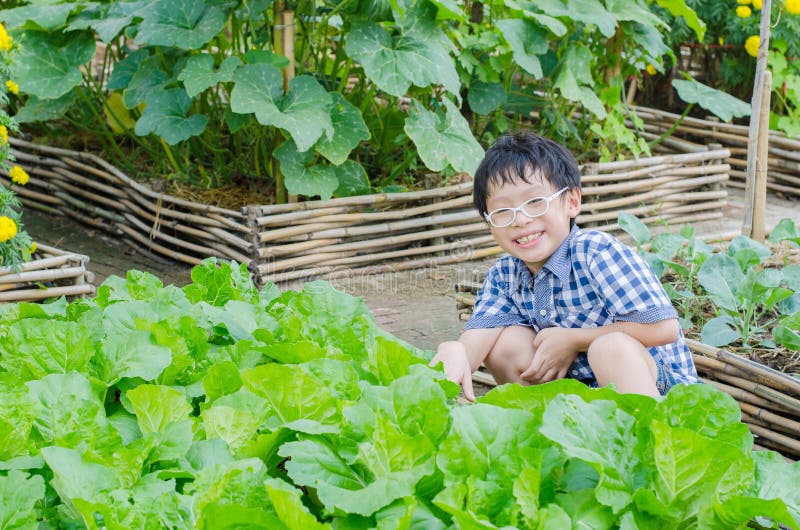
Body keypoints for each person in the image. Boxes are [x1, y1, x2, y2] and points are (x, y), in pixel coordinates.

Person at [431, 132, 699, 400]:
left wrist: (574, 339)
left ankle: (649, 437)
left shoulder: (597, 252)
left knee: (609, 348)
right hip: (579, 395)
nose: (520, 220)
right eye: (503, 211)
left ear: (572, 202)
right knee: (505, 345)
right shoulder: (505, 273)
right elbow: (481, 334)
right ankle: (544, 431)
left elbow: (663, 328)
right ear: (489, 224)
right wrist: (458, 350)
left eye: (534, 202)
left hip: (660, 391)